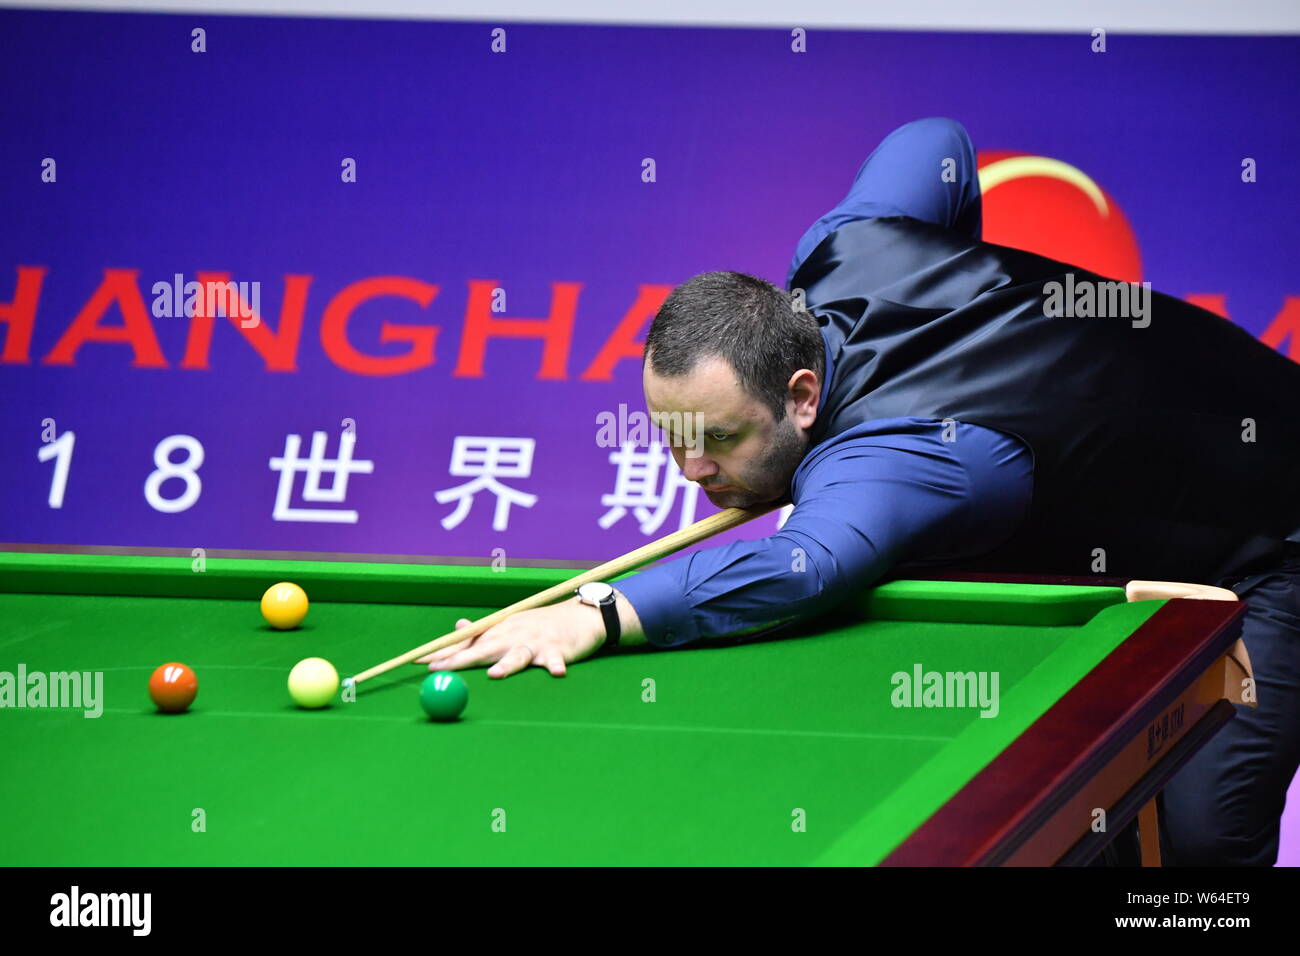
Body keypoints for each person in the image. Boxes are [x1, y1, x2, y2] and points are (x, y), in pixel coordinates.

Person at [423, 118, 1300, 866]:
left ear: (802, 396)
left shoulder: (894, 462)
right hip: (1166, 470)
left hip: (1274, 540)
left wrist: (597, 613)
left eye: (720, 440)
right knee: (1086, 806)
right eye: (674, 437)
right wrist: (960, 263)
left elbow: (806, 567)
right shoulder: (852, 243)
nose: (690, 471)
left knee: (1199, 849)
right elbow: (935, 142)